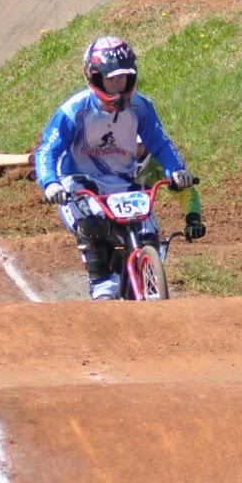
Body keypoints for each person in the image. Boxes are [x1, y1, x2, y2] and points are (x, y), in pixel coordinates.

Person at [36, 36, 196, 300]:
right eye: (111, 78)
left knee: (149, 232)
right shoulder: (74, 110)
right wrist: (50, 182)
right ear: (95, 77)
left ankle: (146, 278)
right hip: (79, 181)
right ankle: (100, 281)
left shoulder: (142, 107)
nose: (118, 85)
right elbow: (47, 150)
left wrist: (176, 170)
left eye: (123, 78)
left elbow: (160, 142)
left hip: (124, 179)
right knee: (93, 222)